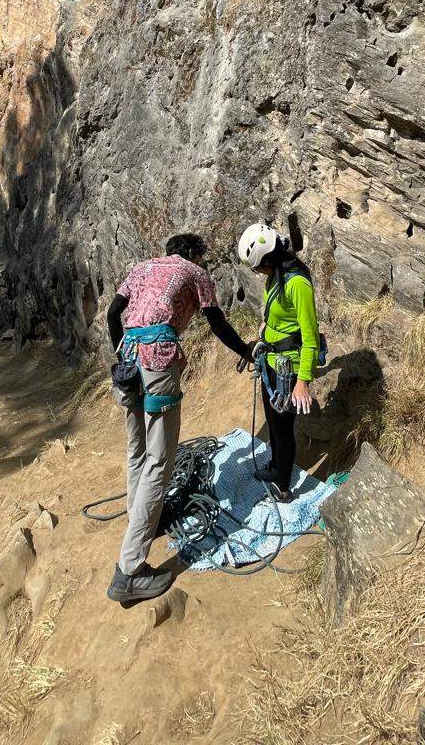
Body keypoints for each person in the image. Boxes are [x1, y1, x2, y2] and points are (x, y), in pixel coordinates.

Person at [105, 232, 253, 605]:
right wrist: (245, 350)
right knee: (160, 460)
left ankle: (142, 520)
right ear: (193, 253)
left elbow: (112, 313)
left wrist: (122, 354)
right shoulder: (193, 271)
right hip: (159, 362)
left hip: (128, 359)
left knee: (137, 449)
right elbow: (216, 321)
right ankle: (130, 570)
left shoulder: (141, 268)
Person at [238, 222, 320, 503]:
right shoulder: (276, 278)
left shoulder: (297, 283)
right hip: (271, 361)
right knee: (273, 422)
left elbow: (310, 339)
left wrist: (302, 382)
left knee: (283, 430)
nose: (258, 273)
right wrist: (262, 335)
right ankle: (276, 467)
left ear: (268, 259)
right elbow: (273, 318)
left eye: (258, 267)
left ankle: (284, 488)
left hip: (289, 367)